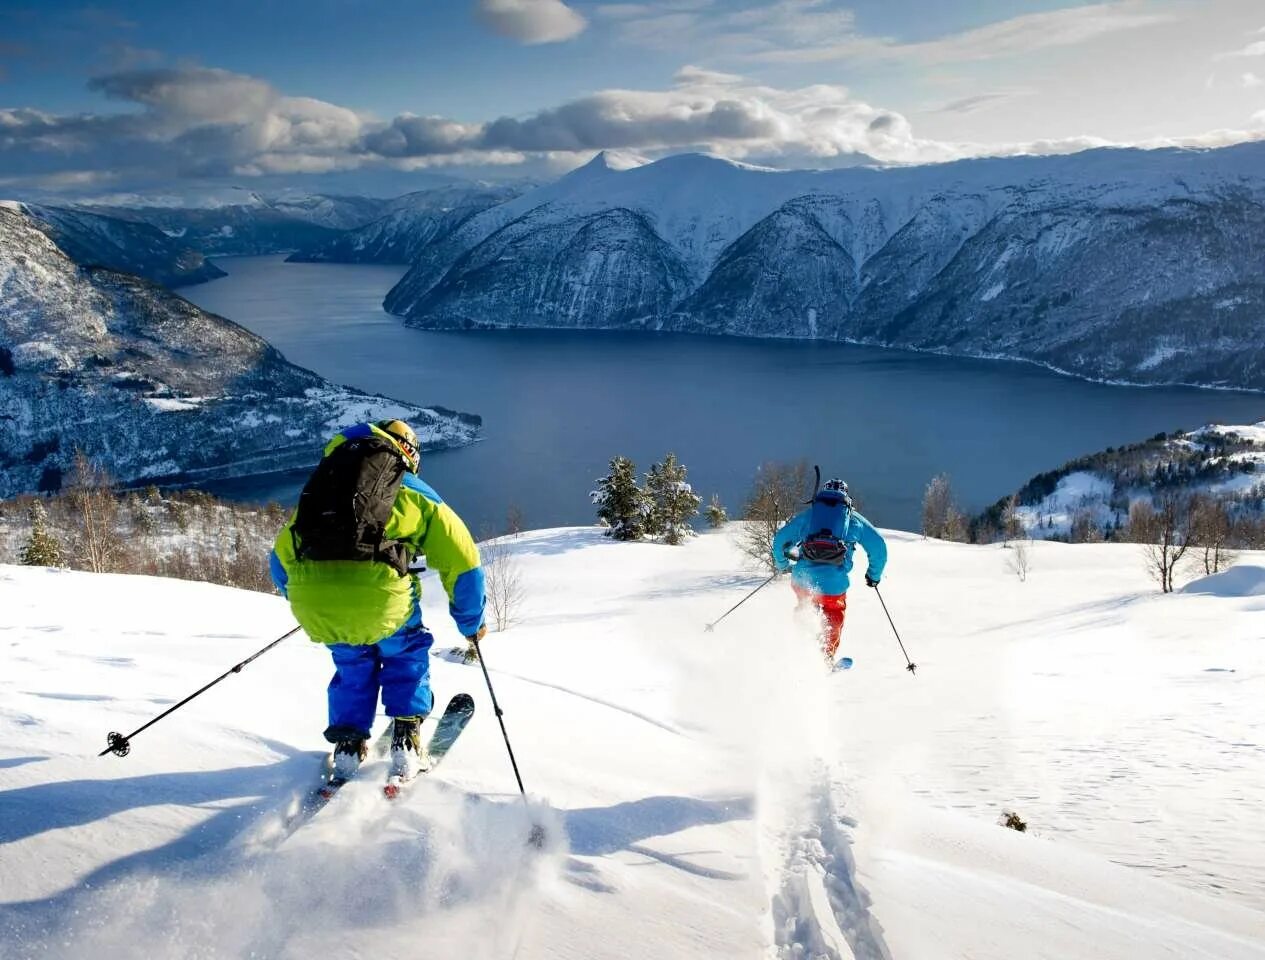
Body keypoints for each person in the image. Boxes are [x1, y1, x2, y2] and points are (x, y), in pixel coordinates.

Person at [270, 419, 486, 782]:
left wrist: (312, 599)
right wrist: (471, 622)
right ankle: (406, 735)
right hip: (383, 602)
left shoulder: (323, 488)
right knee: (405, 652)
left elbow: (279, 560)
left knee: (352, 663)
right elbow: (462, 560)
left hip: (316, 603)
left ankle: (348, 745)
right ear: (409, 454)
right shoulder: (412, 491)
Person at [771, 478, 887, 665]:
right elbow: (879, 547)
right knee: (833, 614)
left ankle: (799, 649)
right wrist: (873, 576)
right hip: (834, 585)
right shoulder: (853, 519)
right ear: (846, 496)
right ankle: (825, 658)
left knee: (805, 606)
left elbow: (780, 541)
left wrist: (783, 564)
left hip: (803, 580)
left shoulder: (810, 516)